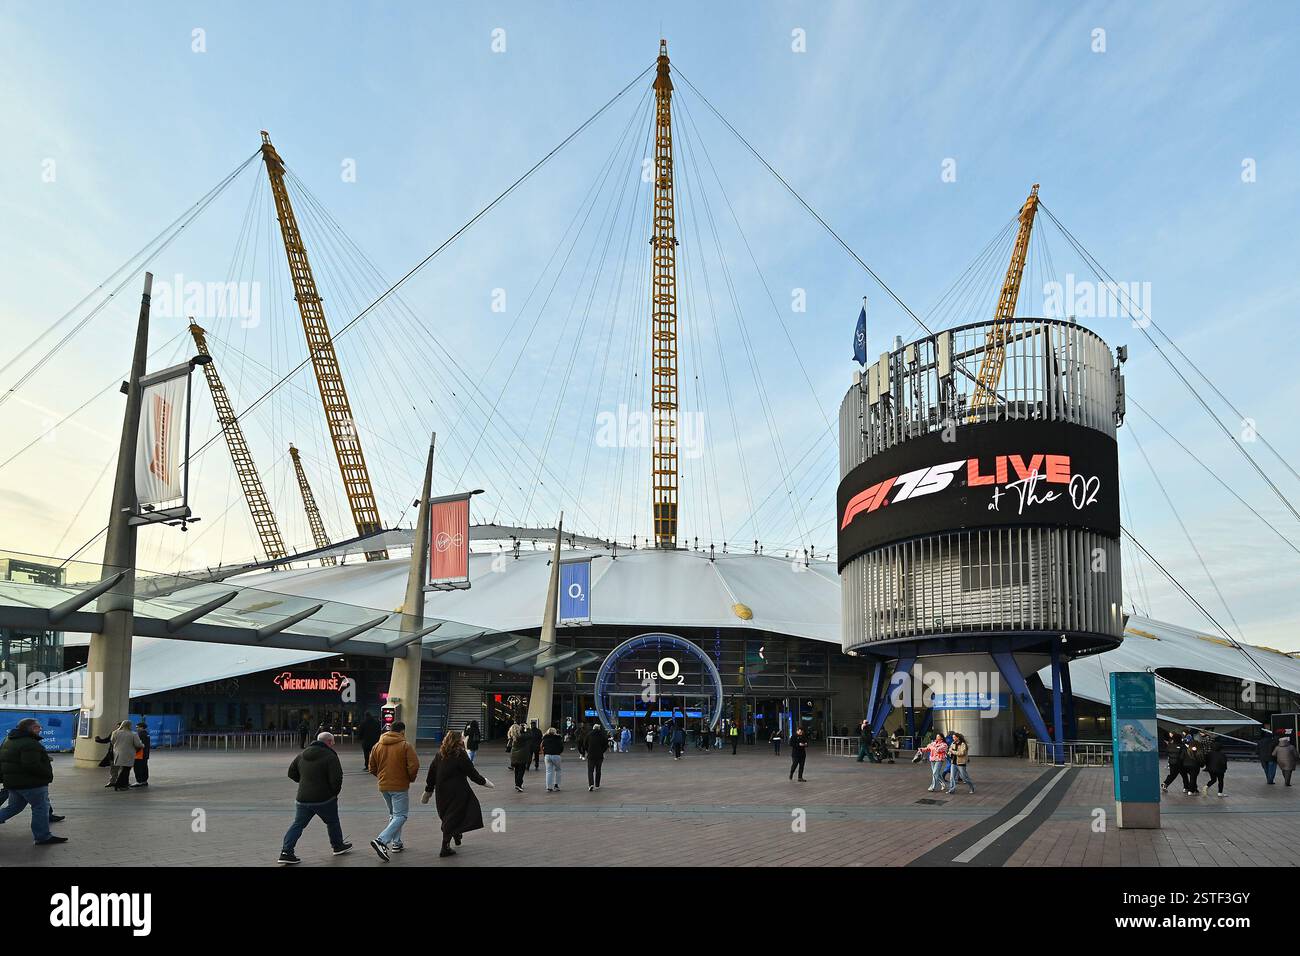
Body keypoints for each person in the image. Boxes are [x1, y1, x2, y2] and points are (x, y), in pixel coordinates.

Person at [279, 731, 351, 863]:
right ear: (328, 742)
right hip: (324, 799)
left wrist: (303, 783)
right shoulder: (330, 756)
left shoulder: (302, 754)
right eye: (333, 742)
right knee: (332, 822)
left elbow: (291, 772)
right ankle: (337, 846)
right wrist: (333, 793)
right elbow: (336, 779)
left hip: (303, 798)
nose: (333, 744)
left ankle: (286, 852)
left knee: (298, 824)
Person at [422, 730, 495, 857]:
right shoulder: (460, 754)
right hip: (458, 791)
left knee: (447, 815)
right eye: (461, 738)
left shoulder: (440, 754)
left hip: (442, 792)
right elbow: (471, 772)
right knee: (455, 815)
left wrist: (428, 790)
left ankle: (456, 833)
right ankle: (445, 847)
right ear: (458, 741)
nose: (463, 740)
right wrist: (484, 782)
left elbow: (431, 773)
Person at [0, 718, 66, 845]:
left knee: (13, 807)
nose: (40, 729)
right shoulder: (31, 743)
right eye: (38, 727)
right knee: (40, 808)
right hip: (31, 783)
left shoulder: (8, 740)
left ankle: (42, 835)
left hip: (13, 782)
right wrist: (47, 774)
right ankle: (42, 836)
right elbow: (31, 765)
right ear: (31, 728)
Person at [366, 720, 419, 861]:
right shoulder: (405, 746)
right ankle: (381, 840)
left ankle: (397, 843)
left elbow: (371, 767)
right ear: (402, 731)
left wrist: (382, 777)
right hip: (399, 786)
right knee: (401, 815)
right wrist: (409, 778)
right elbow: (414, 766)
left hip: (384, 785)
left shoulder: (377, 745)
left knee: (393, 814)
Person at [107, 719, 143, 792]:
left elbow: (112, 742)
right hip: (128, 754)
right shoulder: (133, 734)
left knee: (124, 770)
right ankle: (119, 784)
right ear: (130, 725)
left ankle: (124, 785)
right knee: (126, 770)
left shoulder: (115, 732)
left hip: (117, 754)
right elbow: (138, 744)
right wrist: (143, 745)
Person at [587, 722, 608, 791]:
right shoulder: (602, 735)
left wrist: (588, 750)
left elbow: (585, 744)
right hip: (599, 755)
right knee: (598, 770)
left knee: (590, 771)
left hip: (591, 755)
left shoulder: (589, 734)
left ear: (593, 728)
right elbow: (606, 745)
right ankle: (597, 784)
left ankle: (591, 784)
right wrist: (602, 751)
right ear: (599, 728)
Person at [542, 726, 564, 792]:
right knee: (558, 770)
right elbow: (561, 747)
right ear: (555, 732)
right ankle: (556, 785)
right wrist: (559, 752)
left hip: (547, 756)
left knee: (548, 771)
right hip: (556, 755)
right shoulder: (558, 738)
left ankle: (549, 787)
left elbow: (543, 747)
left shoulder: (545, 738)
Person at [131, 720, 151, 788]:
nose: (136, 728)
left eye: (137, 727)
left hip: (139, 755)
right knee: (144, 767)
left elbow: (139, 745)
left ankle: (139, 781)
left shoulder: (140, 734)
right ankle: (144, 781)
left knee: (137, 768)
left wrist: (134, 752)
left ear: (142, 727)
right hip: (145, 754)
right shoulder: (147, 734)